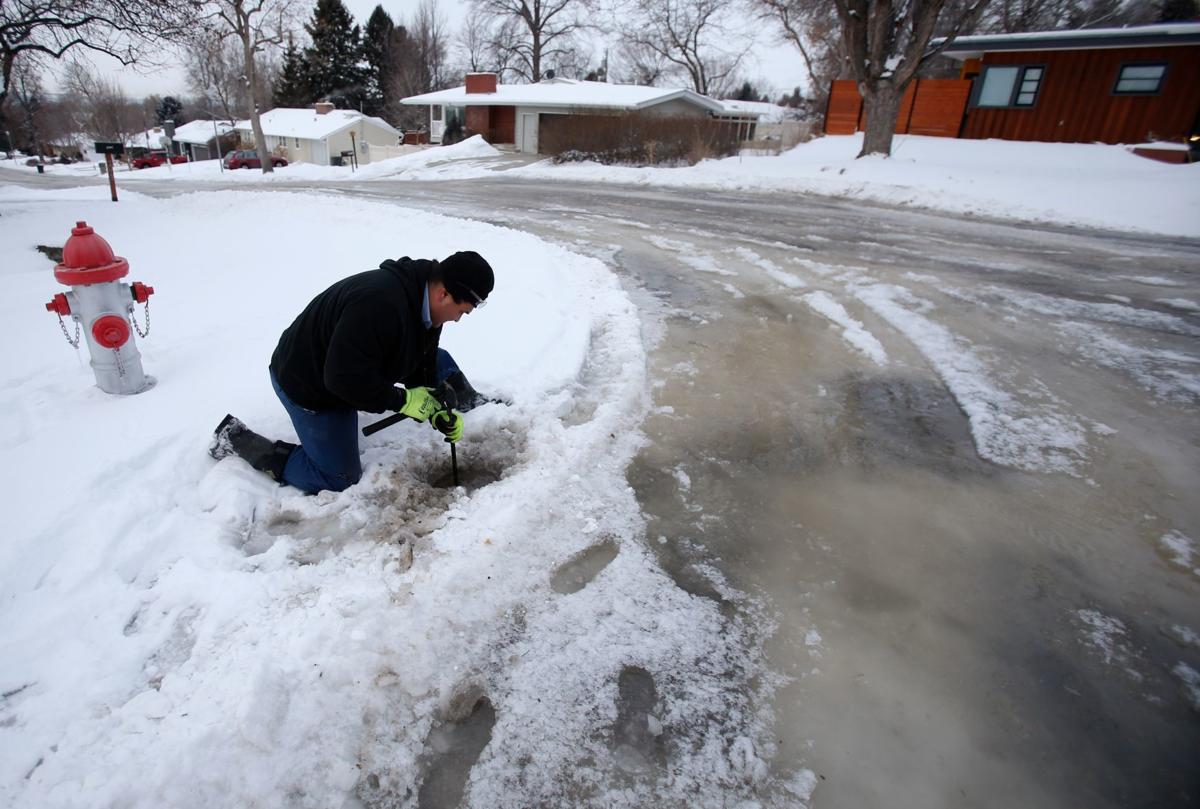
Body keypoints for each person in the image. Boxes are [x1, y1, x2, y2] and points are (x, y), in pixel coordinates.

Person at [210, 251, 494, 494]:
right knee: (340, 477)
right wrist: (403, 401)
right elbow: (341, 379)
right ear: (444, 294)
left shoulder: (425, 300)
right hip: (308, 381)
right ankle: (240, 442)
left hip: (354, 362)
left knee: (438, 360)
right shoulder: (379, 304)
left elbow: (423, 356)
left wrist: (433, 406)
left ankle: (464, 397)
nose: (458, 319)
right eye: (461, 311)